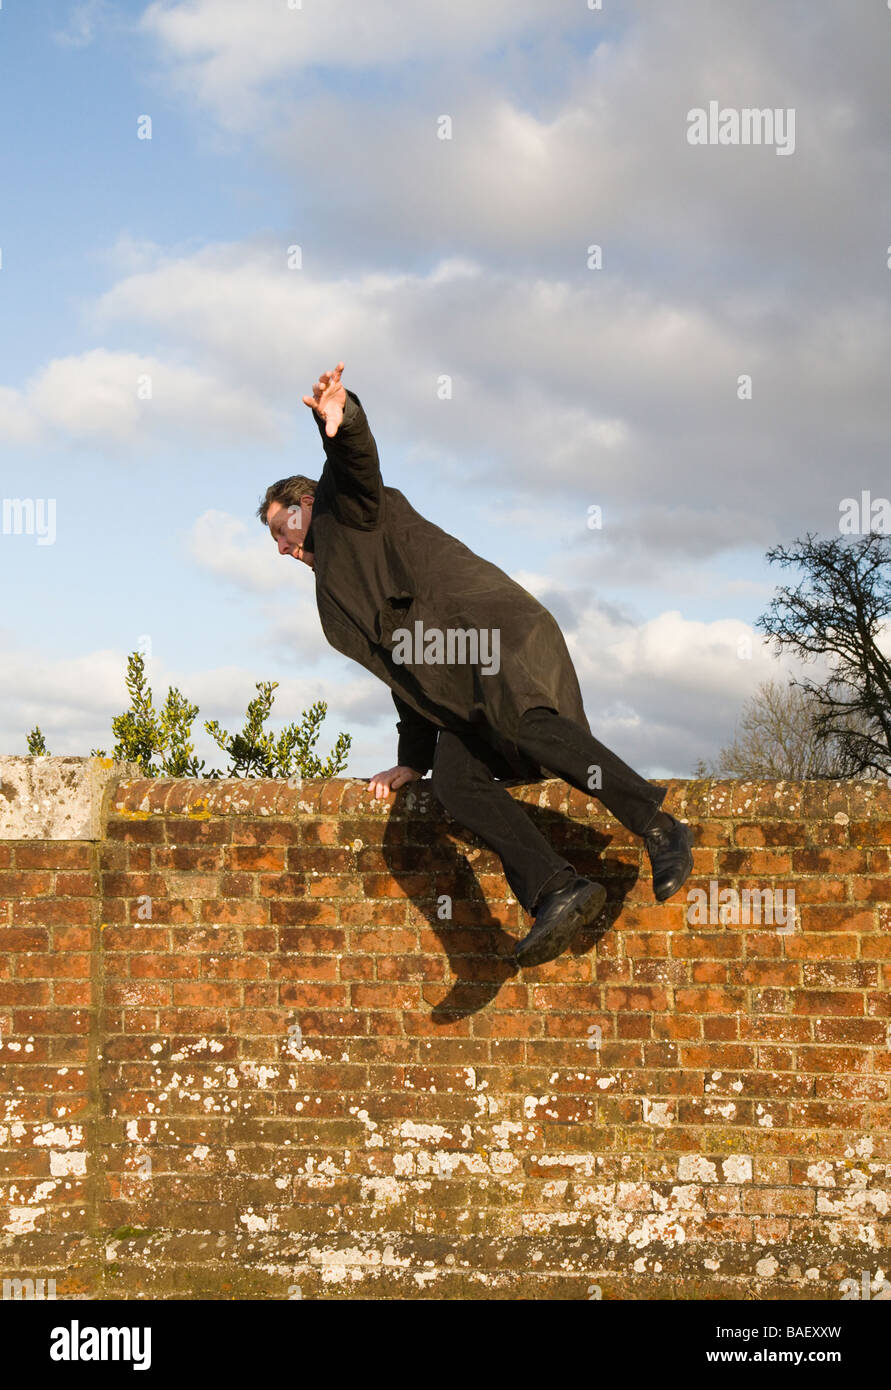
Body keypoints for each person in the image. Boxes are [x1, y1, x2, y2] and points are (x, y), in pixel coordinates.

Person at [258, 362, 694, 967]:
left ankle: (658, 824)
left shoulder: (350, 511)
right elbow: (401, 672)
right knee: (457, 782)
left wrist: (340, 419)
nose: (284, 546)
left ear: (309, 502)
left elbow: (356, 462)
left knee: (521, 722)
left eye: (284, 526)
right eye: (275, 540)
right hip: (458, 689)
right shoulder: (335, 596)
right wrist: (413, 760)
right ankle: (557, 890)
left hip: (494, 635)